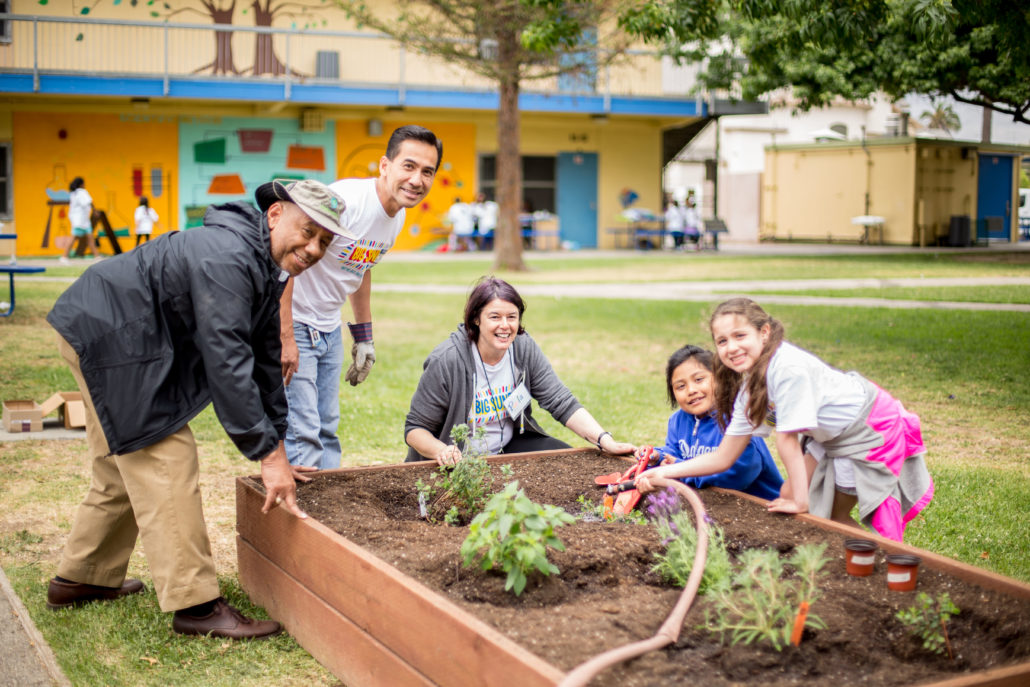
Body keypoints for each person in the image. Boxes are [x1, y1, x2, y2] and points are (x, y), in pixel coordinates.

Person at [45, 179, 353, 638]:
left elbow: (265, 360)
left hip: (105, 329)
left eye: (324, 242)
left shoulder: (262, 263)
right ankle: (197, 606)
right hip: (111, 336)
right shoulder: (227, 258)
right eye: (307, 231)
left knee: (122, 465)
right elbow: (226, 361)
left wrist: (280, 444)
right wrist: (266, 456)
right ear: (274, 216)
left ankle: (82, 576)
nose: (312, 248)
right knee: (165, 455)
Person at [637, 298, 933, 541]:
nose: (732, 347)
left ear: (764, 332)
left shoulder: (787, 368)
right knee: (789, 495)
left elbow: (787, 441)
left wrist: (801, 504)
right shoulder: (750, 387)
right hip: (828, 438)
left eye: (740, 336)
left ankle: (889, 562)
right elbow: (723, 456)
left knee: (829, 516)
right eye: (722, 341)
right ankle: (859, 556)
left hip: (866, 427)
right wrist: (665, 474)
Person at [281, 125, 442, 471]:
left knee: (327, 430)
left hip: (327, 327)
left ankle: (326, 515)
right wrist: (284, 336)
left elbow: (362, 267)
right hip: (295, 324)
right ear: (385, 165)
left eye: (428, 171)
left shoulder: (396, 216)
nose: (417, 180)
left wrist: (364, 337)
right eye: (409, 166)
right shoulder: (344, 202)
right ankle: (300, 519)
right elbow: (285, 259)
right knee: (303, 435)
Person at [404, 276, 636, 465]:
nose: (505, 325)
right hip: (459, 462)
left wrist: (605, 440)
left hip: (509, 448)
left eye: (512, 317)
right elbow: (415, 429)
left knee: (569, 462)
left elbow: (561, 401)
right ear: (476, 319)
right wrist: (444, 452)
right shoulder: (447, 361)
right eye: (494, 317)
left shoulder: (522, 347)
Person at [645, 344, 783, 500]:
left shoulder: (737, 421)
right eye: (681, 386)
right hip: (715, 503)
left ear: (719, 378)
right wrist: (658, 456)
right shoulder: (677, 420)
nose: (691, 390)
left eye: (699, 379)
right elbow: (674, 454)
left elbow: (738, 475)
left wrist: (680, 473)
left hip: (763, 508)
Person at [60, 177, 99, 264]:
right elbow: (89, 201)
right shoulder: (81, 192)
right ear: (81, 184)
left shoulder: (74, 193)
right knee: (73, 237)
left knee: (90, 238)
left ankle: (97, 256)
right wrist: (95, 210)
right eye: (84, 183)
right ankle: (64, 256)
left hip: (82, 219)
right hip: (80, 220)